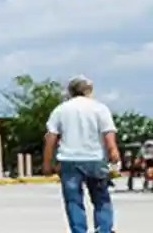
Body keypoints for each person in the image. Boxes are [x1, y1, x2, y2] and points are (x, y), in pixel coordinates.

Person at [43, 75, 120, 233]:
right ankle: (104, 229)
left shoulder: (60, 110)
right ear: (89, 91)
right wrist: (113, 154)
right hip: (95, 159)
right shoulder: (100, 108)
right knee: (101, 199)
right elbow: (108, 135)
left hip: (69, 160)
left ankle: (79, 231)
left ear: (70, 92)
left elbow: (51, 138)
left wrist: (47, 163)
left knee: (73, 201)